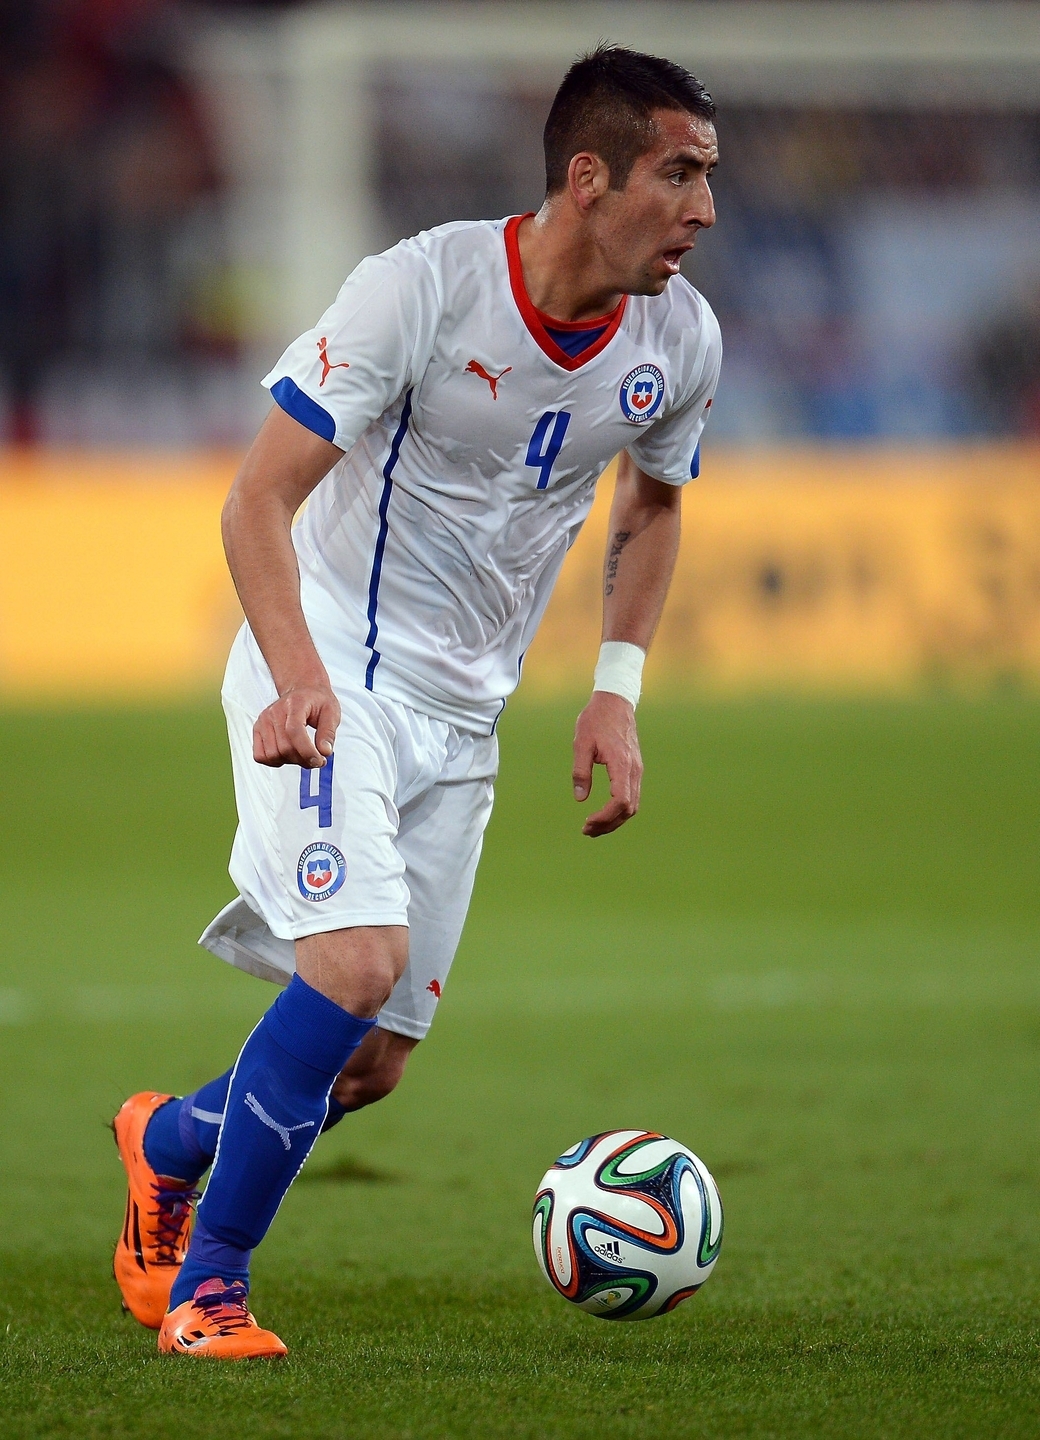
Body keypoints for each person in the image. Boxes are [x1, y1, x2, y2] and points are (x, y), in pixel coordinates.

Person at [111, 44, 721, 1359]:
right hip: (334, 668)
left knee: (372, 1059)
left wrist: (616, 692)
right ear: (588, 176)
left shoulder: (680, 341)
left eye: (708, 178)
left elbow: (656, 505)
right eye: (678, 174)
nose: (704, 210)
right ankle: (207, 1288)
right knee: (355, 962)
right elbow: (256, 498)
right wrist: (296, 678)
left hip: (465, 720)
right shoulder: (425, 290)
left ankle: (166, 1143)